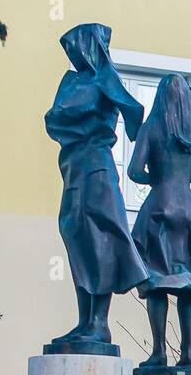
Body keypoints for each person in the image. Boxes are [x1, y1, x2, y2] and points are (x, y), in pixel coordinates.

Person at [44, 23, 147, 347]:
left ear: (88, 45)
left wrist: (140, 139)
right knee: (75, 235)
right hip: (73, 166)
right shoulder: (71, 81)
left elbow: (134, 112)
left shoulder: (105, 78)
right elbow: (53, 119)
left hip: (97, 166)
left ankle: (99, 323)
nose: (71, 54)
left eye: (74, 47)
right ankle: (84, 321)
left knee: (101, 237)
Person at [129, 74, 191, 370]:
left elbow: (133, 171)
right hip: (188, 212)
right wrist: (181, 176)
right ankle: (188, 352)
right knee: (189, 283)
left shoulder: (151, 128)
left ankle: (159, 351)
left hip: (158, 210)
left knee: (156, 282)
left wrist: (158, 177)